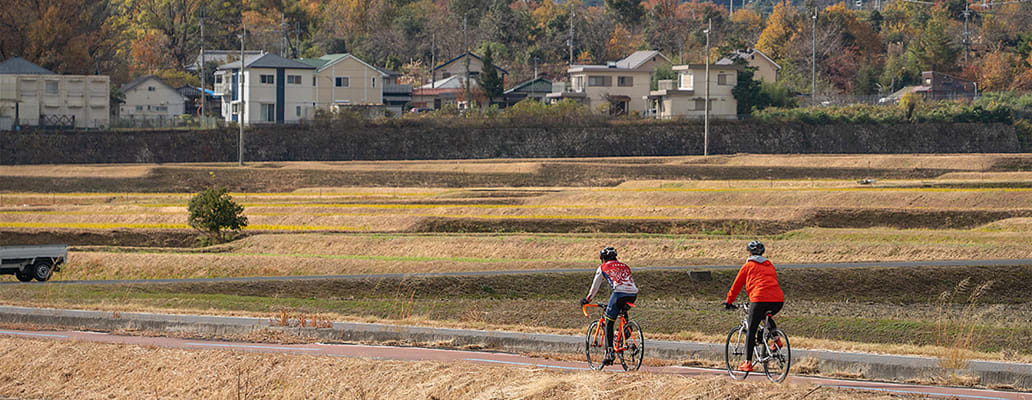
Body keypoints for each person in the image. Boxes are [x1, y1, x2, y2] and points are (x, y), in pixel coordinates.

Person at [723, 240, 784, 372]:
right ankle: (776, 340)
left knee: (751, 329)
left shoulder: (748, 266)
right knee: (764, 316)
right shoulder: (769, 265)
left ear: (749, 253)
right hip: (778, 300)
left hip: (759, 298)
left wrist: (729, 301)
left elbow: (736, 286)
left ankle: (748, 363)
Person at [581, 246, 638, 366]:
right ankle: (625, 331)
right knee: (622, 313)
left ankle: (609, 353)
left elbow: (595, 287)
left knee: (609, 321)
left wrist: (587, 300)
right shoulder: (625, 265)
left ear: (603, 259)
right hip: (633, 293)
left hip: (618, 293)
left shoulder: (603, 267)